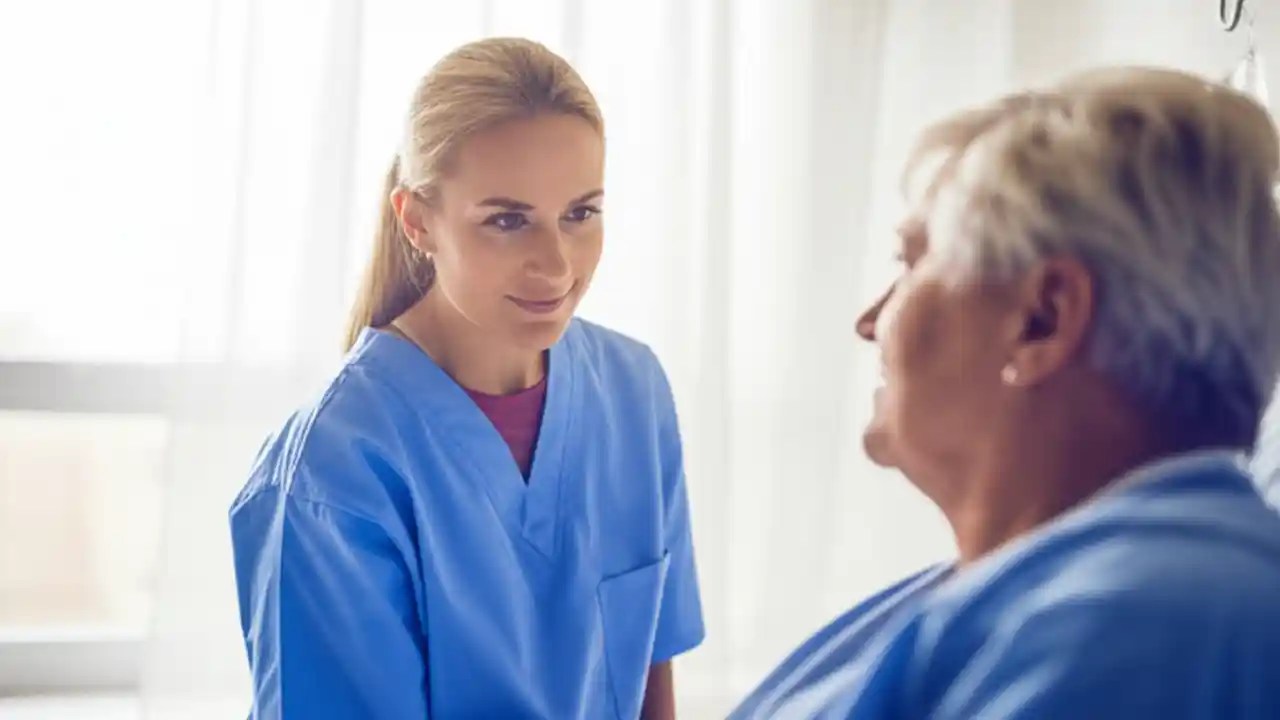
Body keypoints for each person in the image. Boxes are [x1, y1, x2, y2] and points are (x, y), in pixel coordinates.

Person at [732, 67, 1280, 719]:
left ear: (1041, 319)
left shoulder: (1156, 621)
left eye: (911, 265)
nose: (870, 321)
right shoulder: (1018, 592)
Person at [229, 37, 704, 719]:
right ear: (419, 221)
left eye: (581, 214)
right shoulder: (332, 471)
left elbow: (652, 674)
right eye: (507, 221)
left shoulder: (635, 392)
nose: (556, 264)